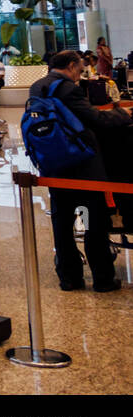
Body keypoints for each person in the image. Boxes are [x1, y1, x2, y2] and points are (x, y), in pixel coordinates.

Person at [28, 51, 129, 292]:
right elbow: (95, 119)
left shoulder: (37, 86)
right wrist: (124, 114)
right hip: (81, 165)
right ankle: (103, 278)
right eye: (80, 68)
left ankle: (69, 277)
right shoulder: (67, 88)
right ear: (72, 66)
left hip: (52, 162)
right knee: (94, 220)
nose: (80, 73)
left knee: (62, 222)